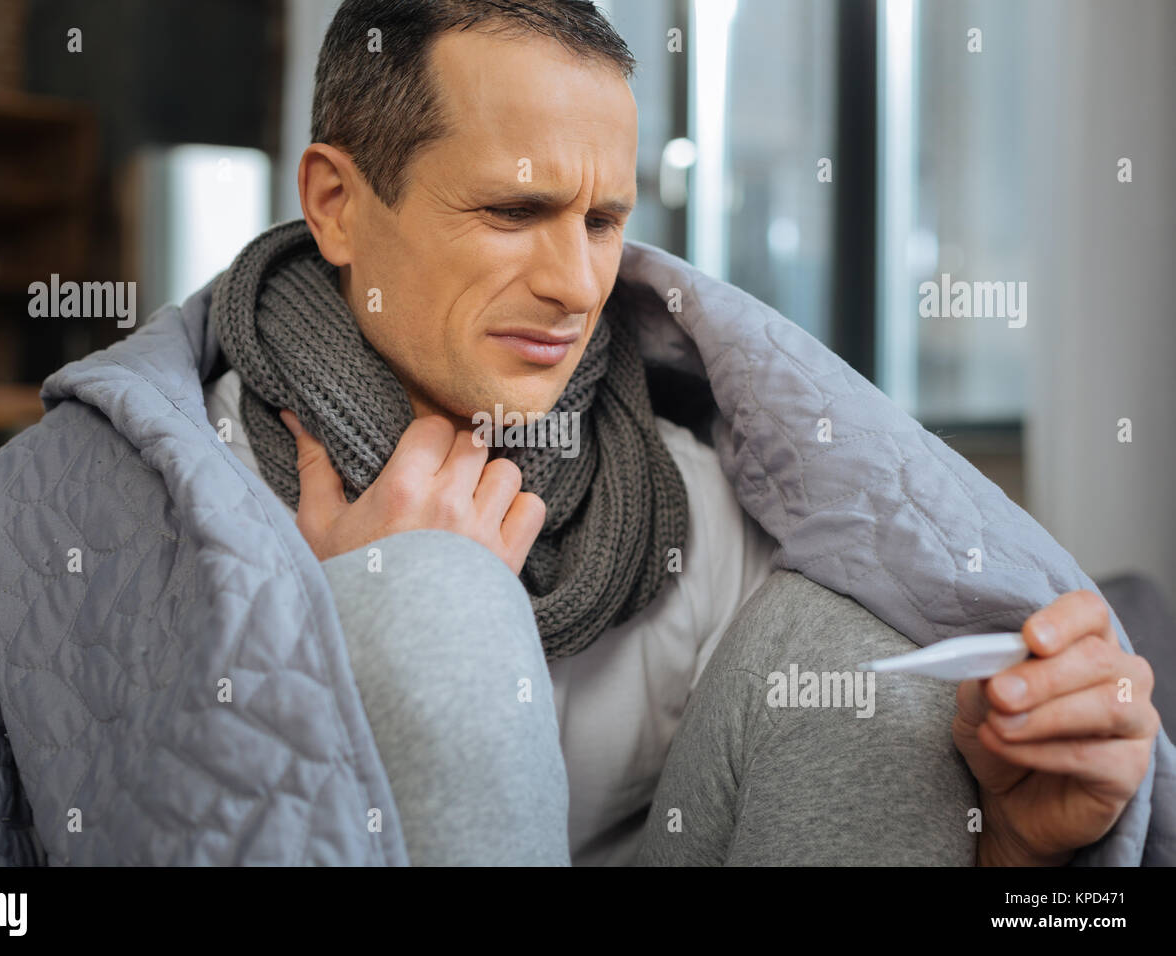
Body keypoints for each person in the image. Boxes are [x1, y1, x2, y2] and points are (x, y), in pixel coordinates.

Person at [199, 0, 1160, 866]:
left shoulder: (685, 501)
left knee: (855, 650)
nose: (578, 286)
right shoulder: (186, 495)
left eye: (605, 221)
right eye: (511, 210)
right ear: (336, 205)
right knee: (433, 611)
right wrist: (337, 642)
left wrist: (1012, 860)